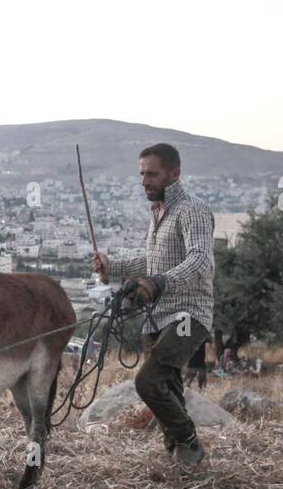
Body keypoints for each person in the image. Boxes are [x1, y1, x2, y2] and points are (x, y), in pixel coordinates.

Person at [91, 143, 215, 469]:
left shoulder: (193, 210)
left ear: (174, 174)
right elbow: (152, 260)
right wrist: (111, 267)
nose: (145, 180)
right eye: (142, 173)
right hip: (157, 316)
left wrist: (159, 283)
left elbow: (200, 260)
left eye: (152, 174)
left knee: (148, 381)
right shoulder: (157, 213)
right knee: (168, 388)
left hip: (188, 314)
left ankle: (188, 441)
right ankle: (182, 461)